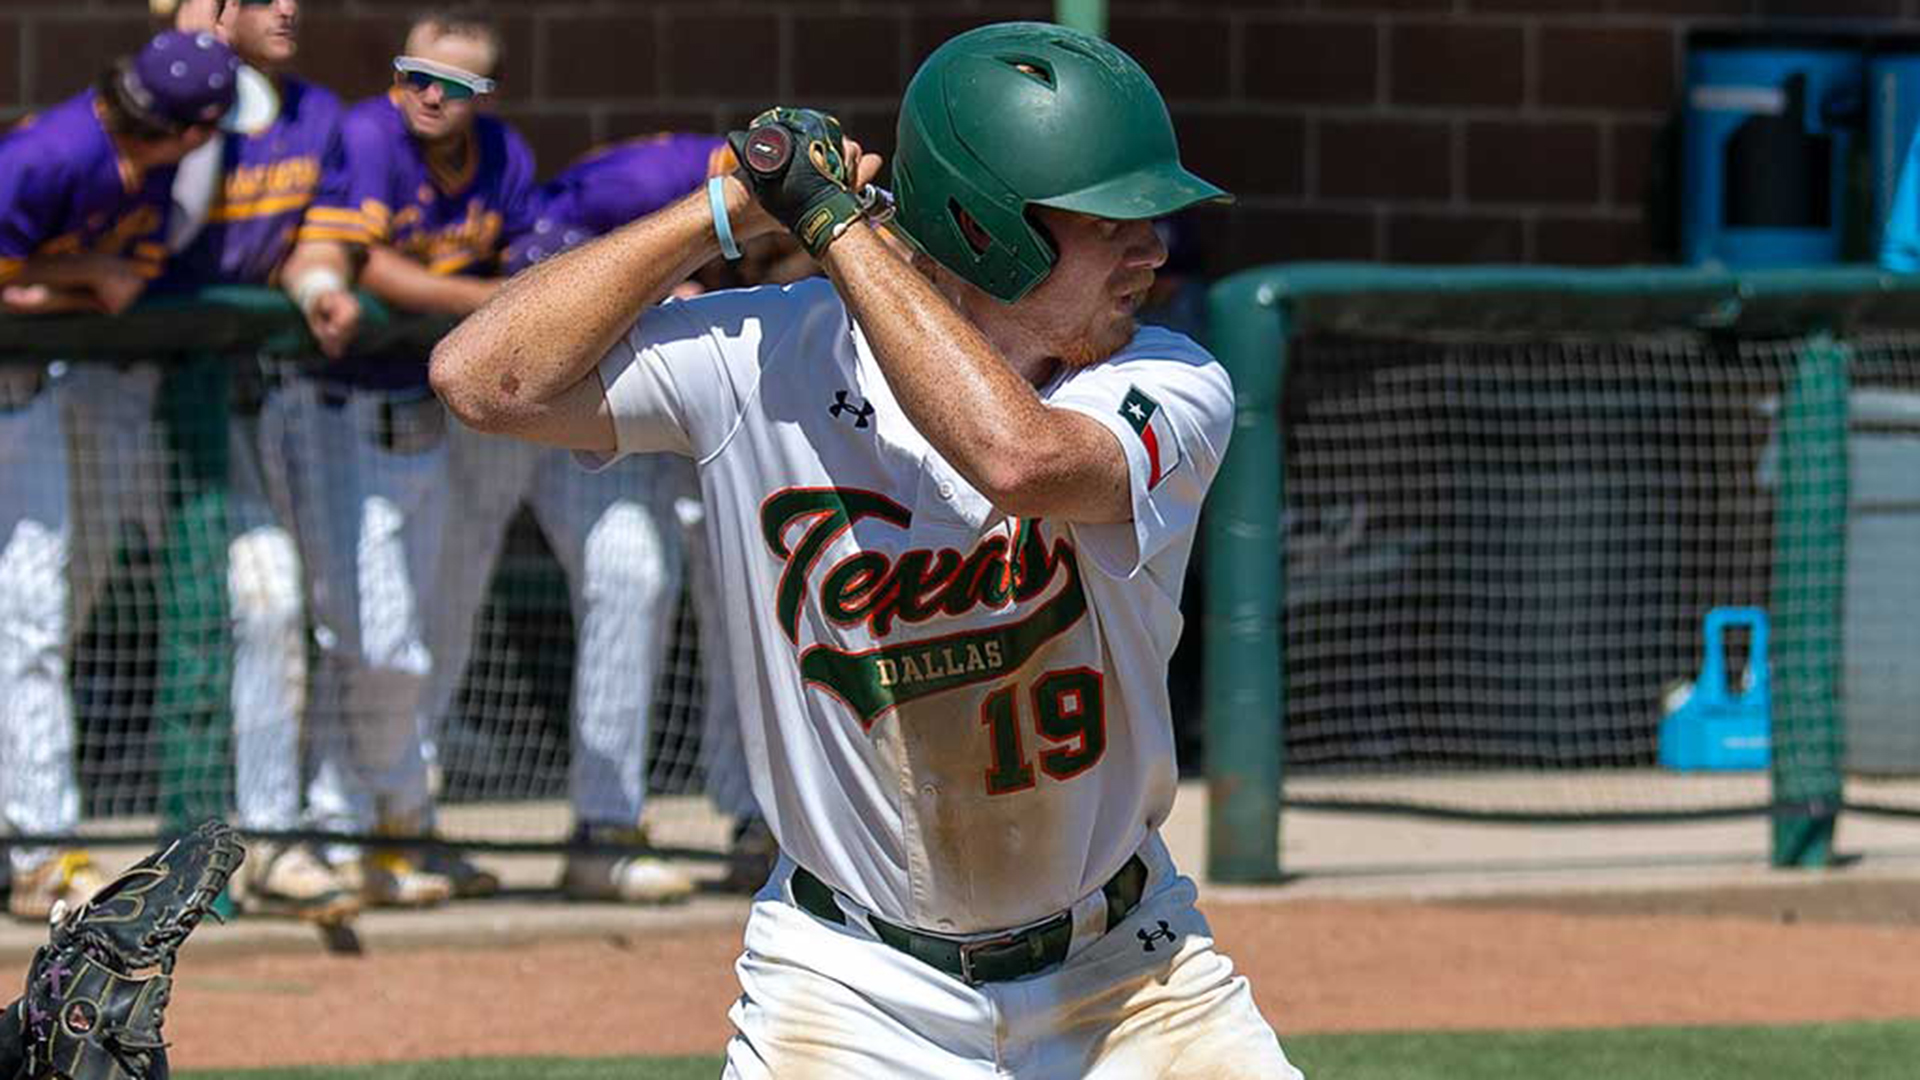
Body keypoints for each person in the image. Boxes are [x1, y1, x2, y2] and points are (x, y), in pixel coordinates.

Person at [432, 21, 1299, 1079]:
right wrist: (723, 211)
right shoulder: (767, 351)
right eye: (1109, 224)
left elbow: (1017, 459)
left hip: (1127, 971)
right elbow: (484, 381)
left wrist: (835, 224)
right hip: (849, 985)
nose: (1152, 252)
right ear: (990, 230)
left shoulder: (1172, 379)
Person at [422, 133, 750, 905]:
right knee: (439, 596)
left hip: (625, 413)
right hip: (514, 394)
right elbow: (537, 264)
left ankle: (631, 827)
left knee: (638, 575)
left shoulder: (810, 235)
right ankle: (392, 813)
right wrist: (648, 294)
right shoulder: (651, 179)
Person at [270, 9, 535, 907]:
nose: (427, 96)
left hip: (427, 421)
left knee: (425, 634)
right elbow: (367, 266)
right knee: (371, 637)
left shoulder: (502, 154)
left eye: (453, 85)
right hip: (331, 411)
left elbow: (534, 259)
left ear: (485, 94)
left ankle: (390, 823)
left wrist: (503, 293)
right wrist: (487, 298)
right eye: (414, 75)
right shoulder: (369, 133)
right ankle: (341, 822)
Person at [125, 0, 360, 927]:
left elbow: (316, 239)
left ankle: (265, 840)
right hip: (105, 386)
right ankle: (33, 843)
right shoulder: (162, 99)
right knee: (45, 610)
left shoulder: (314, 113)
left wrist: (317, 283)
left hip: (224, 395)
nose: (286, 6)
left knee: (268, 598)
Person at [0, 29, 239, 923]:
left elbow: (122, 285)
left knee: (33, 615)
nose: (136, 129)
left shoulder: (157, 170)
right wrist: (77, 275)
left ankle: (39, 849)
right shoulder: (48, 154)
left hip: (25, 399)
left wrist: (50, 284)